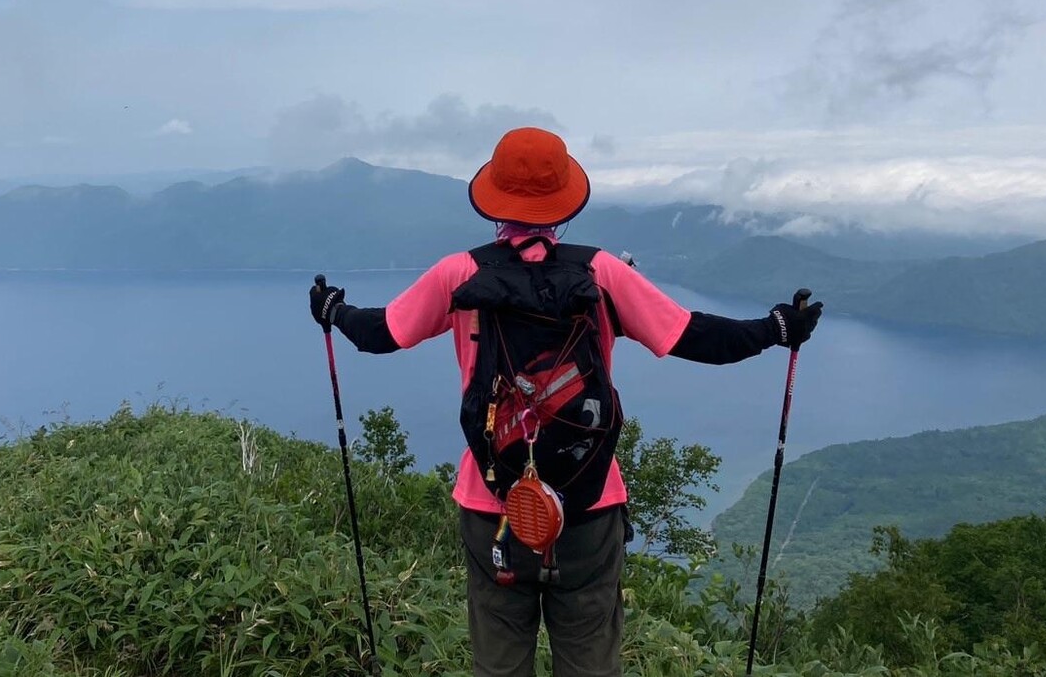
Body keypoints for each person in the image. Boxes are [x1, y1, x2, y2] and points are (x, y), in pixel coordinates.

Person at [309, 126, 822, 677]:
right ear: (564, 202)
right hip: (589, 501)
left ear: (493, 201)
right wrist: (776, 328)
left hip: (494, 504)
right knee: (589, 660)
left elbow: (381, 332)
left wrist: (333, 309)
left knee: (500, 660)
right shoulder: (601, 273)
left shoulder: (459, 273)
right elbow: (695, 338)